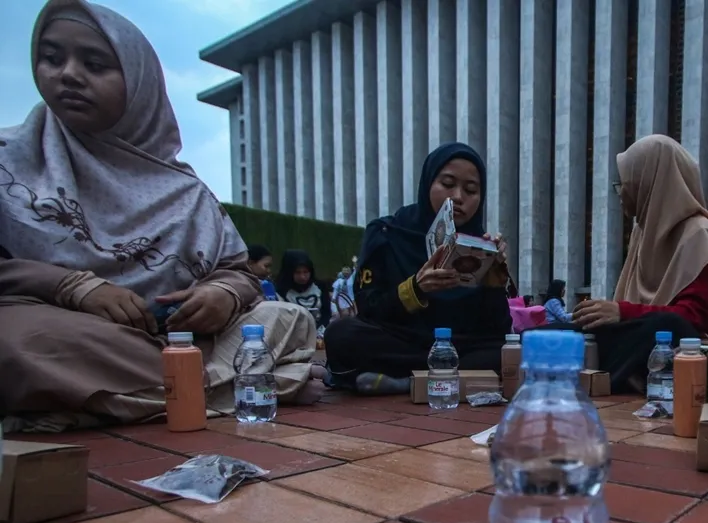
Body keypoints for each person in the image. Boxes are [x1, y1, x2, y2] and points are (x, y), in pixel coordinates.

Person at [0, 0, 315, 432]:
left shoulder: (184, 189)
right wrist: (70, 286)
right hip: (72, 334)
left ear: (139, 82)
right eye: (52, 58)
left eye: (94, 64)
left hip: (178, 341)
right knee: (20, 343)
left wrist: (222, 293)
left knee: (287, 319)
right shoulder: (10, 163)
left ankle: (123, 400)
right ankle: (232, 388)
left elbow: (237, 273)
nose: (69, 74)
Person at [323, 142, 512, 394]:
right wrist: (415, 288)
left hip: (459, 345)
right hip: (402, 340)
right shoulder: (388, 233)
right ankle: (441, 378)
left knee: (510, 350)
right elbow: (369, 308)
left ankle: (407, 382)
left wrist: (494, 284)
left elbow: (496, 330)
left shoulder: (481, 246)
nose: (458, 197)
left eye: (470, 190)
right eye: (447, 184)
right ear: (427, 184)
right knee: (341, 334)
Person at [555, 134, 708, 392]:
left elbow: (694, 321)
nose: (621, 193)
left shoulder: (698, 232)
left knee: (668, 328)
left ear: (650, 182)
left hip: (682, 347)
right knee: (559, 334)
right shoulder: (642, 231)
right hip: (640, 335)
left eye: (625, 183)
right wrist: (607, 314)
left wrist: (622, 312)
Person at [273, 249, 331, 329]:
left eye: (306, 272)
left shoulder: (320, 287)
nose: (302, 277)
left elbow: (326, 313)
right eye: (297, 272)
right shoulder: (280, 291)